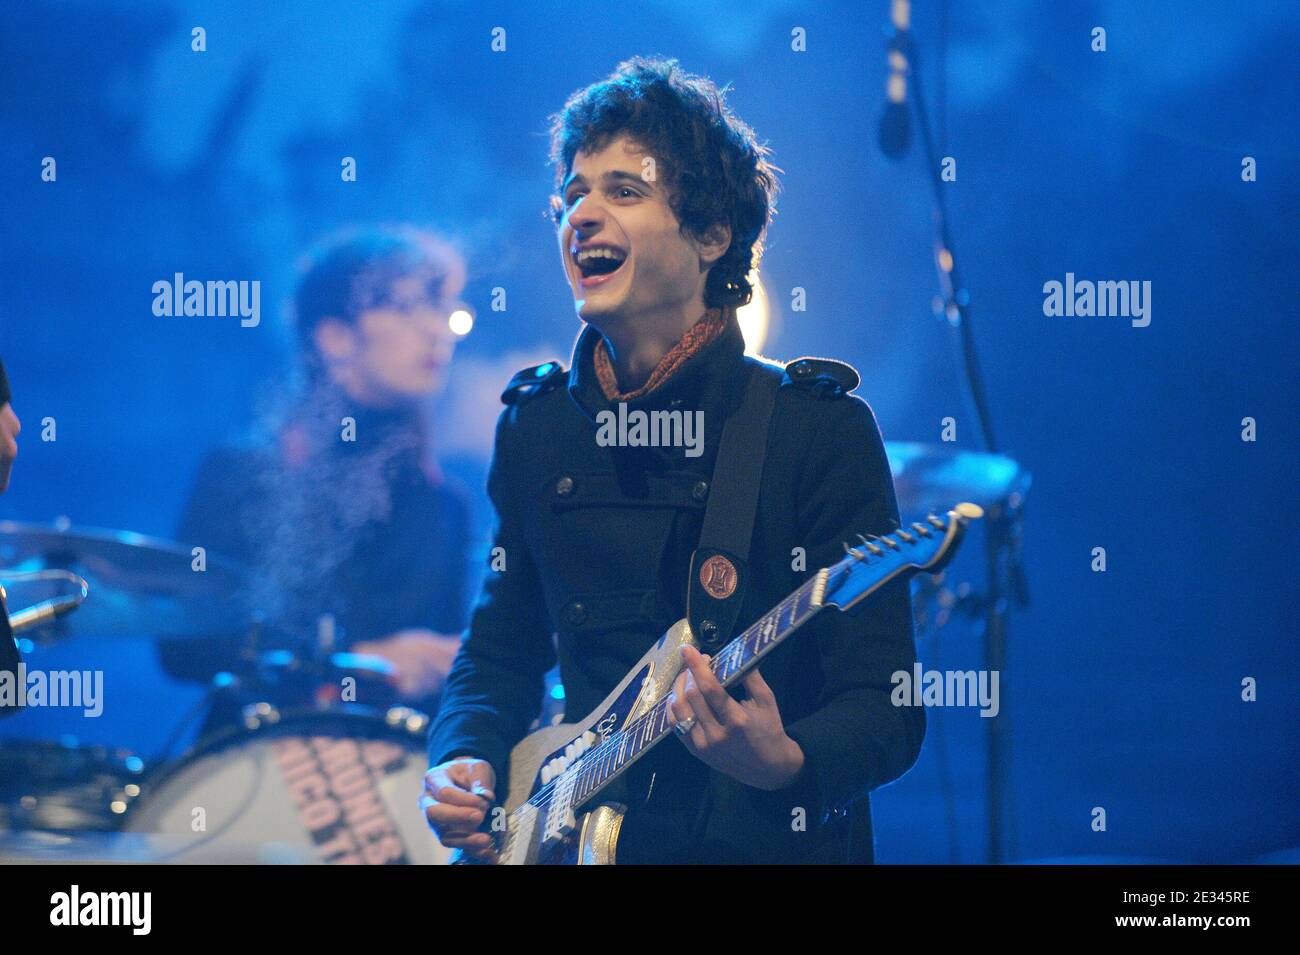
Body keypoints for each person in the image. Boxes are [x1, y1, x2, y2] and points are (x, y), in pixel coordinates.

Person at [422, 57, 924, 864]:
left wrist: (786, 761)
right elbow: (500, 647)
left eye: (622, 190)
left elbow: (886, 707)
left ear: (711, 235)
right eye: (572, 194)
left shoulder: (811, 430)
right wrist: (464, 753)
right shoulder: (535, 424)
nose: (580, 215)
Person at [159, 227, 472, 736]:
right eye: (408, 307)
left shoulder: (445, 504)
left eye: (443, 308)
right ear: (335, 337)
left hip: (398, 781)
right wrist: (354, 661)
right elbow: (183, 646)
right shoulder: (242, 473)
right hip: (253, 763)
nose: (438, 329)